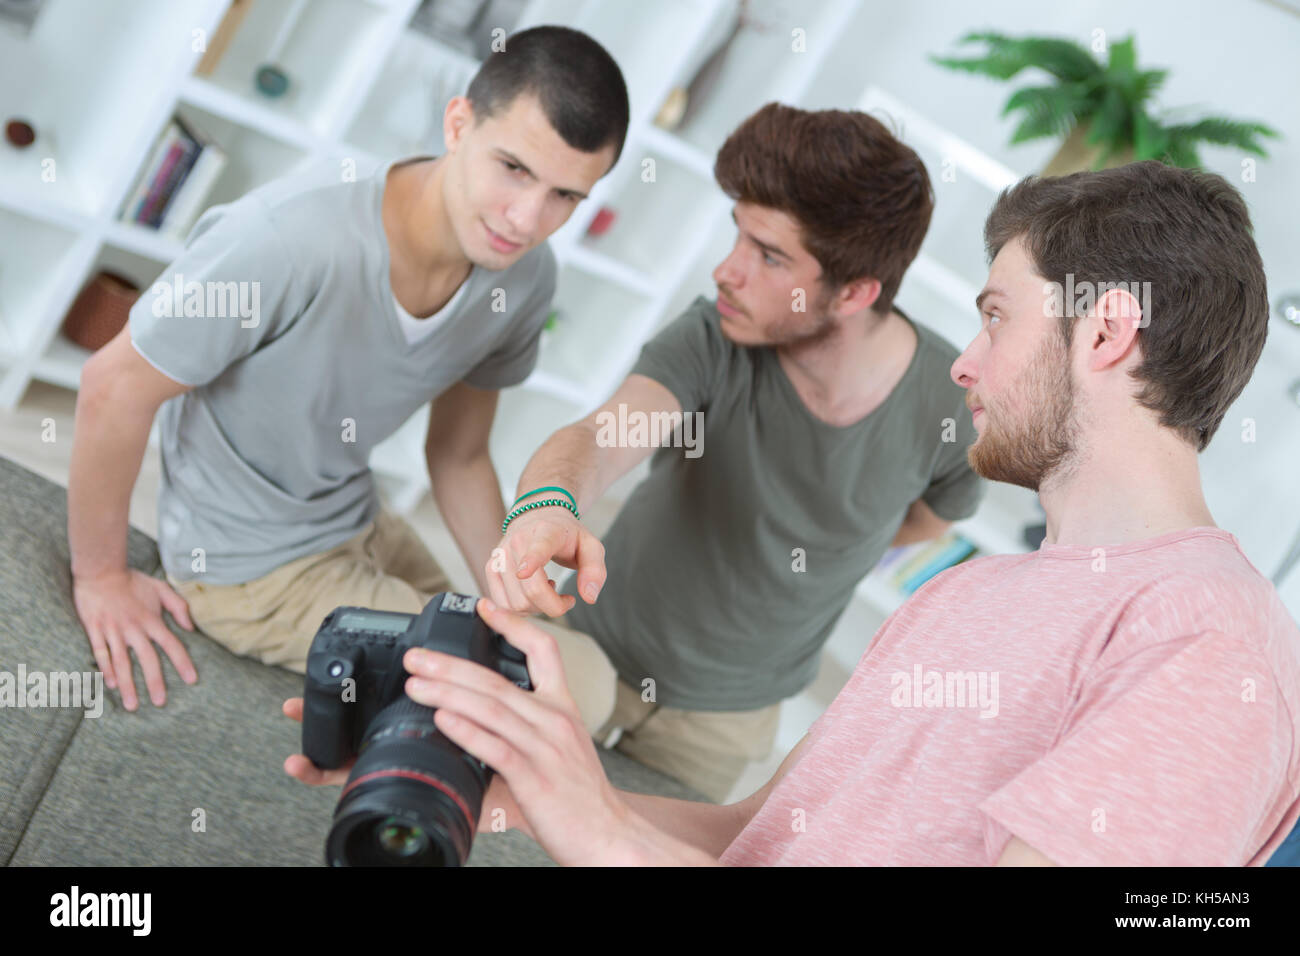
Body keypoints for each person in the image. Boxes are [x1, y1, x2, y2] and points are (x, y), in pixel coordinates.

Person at [288, 160, 1300, 865]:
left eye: (997, 317)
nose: (965, 358)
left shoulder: (1211, 646)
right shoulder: (969, 594)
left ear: (1107, 332)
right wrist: (514, 789)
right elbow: (760, 839)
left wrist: (602, 834)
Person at [67, 27, 628, 719]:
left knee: (553, 654)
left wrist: (515, 583)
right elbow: (113, 386)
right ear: (458, 123)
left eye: (565, 196)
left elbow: (457, 455)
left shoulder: (524, 277)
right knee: (582, 688)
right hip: (248, 568)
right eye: (512, 167)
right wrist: (100, 576)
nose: (527, 217)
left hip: (357, 520)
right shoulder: (290, 238)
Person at [481, 102, 983, 802]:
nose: (726, 271)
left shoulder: (953, 401)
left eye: (770, 256)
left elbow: (929, 522)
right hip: (590, 645)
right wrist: (544, 505)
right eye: (738, 238)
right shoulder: (714, 337)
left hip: (731, 717)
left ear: (856, 292)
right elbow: (604, 437)